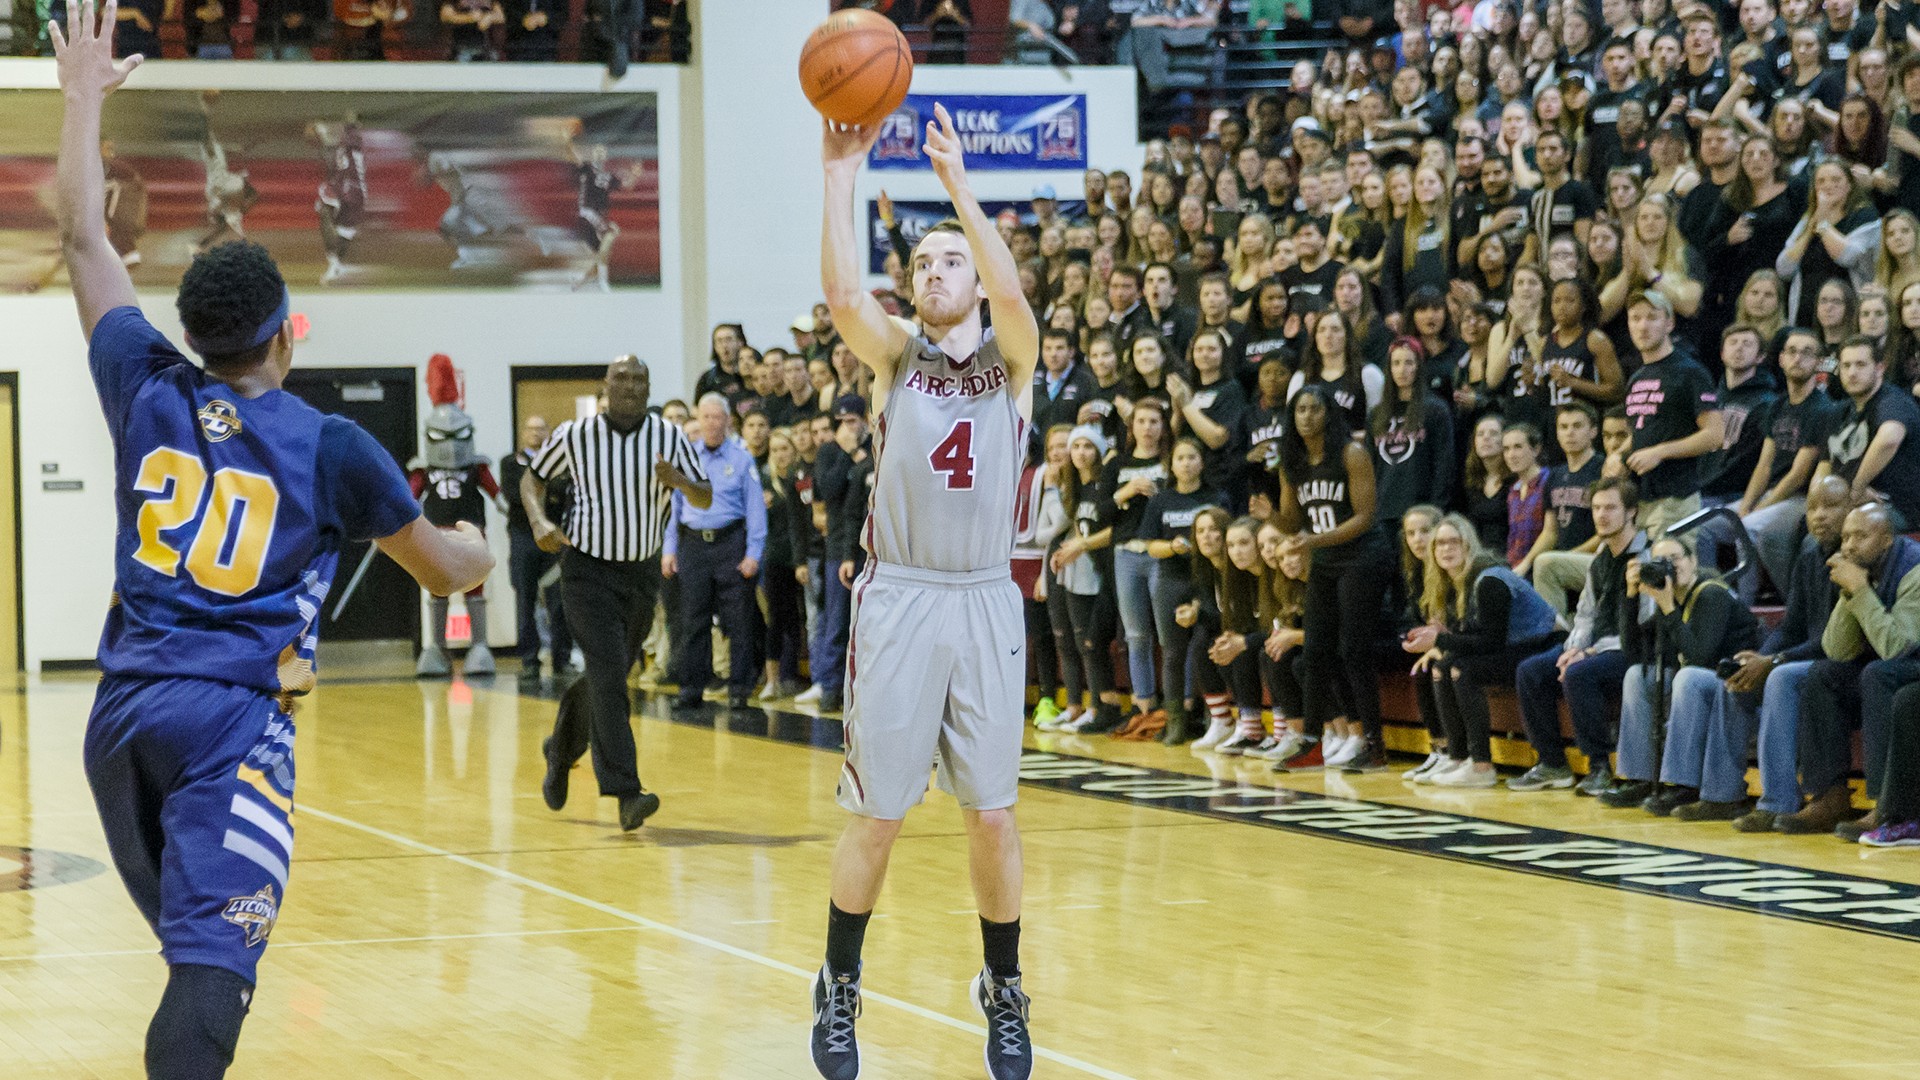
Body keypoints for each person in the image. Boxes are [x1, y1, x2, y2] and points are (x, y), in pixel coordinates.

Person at [53, 12, 496, 1075]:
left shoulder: (146, 385)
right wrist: (484, 542)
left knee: (192, 960)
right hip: (228, 725)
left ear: (194, 336)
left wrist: (80, 97)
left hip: (119, 717)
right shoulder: (332, 444)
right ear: (290, 334)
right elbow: (441, 568)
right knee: (214, 976)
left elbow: (82, 239)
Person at [814, 102, 1042, 1080]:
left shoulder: (1013, 359)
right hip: (903, 597)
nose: (934, 276)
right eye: (922, 268)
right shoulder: (897, 360)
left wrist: (956, 190)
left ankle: (1002, 985)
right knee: (882, 815)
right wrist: (840, 172)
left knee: (991, 813)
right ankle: (838, 984)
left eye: (949, 263)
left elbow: (1013, 291)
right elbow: (839, 296)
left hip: (986, 598)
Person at [529, 357, 710, 832]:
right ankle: (626, 792)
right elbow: (531, 478)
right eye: (621, 379)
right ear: (606, 387)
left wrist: (682, 484)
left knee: (607, 675)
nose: (630, 387)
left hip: (641, 575)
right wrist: (538, 520)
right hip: (586, 571)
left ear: (649, 387)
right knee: (609, 674)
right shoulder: (576, 434)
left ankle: (561, 747)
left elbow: (705, 495)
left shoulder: (669, 437)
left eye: (639, 380)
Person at [1713, 476, 1850, 831]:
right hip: (1809, 656)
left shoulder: (1855, 559)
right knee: (1736, 676)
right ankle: (1721, 794)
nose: (1819, 515)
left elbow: (1830, 641)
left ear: (1851, 508)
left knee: (1779, 677)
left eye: (1830, 506)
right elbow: (1791, 627)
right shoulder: (1808, 556)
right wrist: (1757, 656)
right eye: (1812, 507)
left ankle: (1778, 801)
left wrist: (1773, 662)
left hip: (1842, 662)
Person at [1269, 384, 1394, 772]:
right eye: (1300, 409)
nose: (1306, 416)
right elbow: (1291, 521)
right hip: (1324, 558)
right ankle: (1311, 742)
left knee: (1353, 651)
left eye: (1314, 408)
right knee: (1315, 653)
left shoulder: (1351, 454)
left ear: (1329, 414)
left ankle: (1373, 743)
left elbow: (1364, 516)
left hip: (1363, 556)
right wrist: (1268, 516)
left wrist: (1314, 540)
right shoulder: (1292, 462)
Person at [1778, 502, 1920, 835]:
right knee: (1825, 674)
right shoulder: (1861, 567)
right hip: (1891, 666)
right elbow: (1837, 650)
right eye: (1845, 537)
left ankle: (1887, 803)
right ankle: (1831, 796)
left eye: (1860, 536)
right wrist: (1849, 592)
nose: (1849, 546)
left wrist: (1859, 590)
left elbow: (1896, 648)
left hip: (1910, 665)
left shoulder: (1914, 570)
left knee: (1877, 674)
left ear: (1886, 540)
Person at [1598, 533, 1763, 813]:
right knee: (1637, 675)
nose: (1671, 566)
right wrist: (1629, 596)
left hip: (1737, 684)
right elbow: (1634, 652)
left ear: (1693, 561)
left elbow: (1699, 656)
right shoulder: (1673, 600)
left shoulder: (1711, 594)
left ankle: (1683, 784)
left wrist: (1667, 608)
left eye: (1676, 558)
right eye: (1661, 561)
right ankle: (1640, 777)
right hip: (1700, 685)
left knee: (1687, 677)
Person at [1509, 477, 1647, 793]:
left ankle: (1599, 767)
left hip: (1634, 648)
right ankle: (1552, 764)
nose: (1601, 515)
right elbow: (1585, 615)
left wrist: (1589, 654)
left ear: (1632, 513)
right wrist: (1573, 648)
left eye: (1611, 508)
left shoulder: (1646, 557)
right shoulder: (1600, 560)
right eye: (1597, 508)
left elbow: (1641, 627)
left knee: (1579, 674)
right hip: (1599, 646)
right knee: (1530, 670)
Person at [1412, 515, 1562, 787]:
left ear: (1469, 545)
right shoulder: (1452, 583)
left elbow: (1491, 642)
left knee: (1461, 669)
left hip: (1543, 645)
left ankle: (1482, 766)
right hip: (1513, 647)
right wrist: (1437, 642)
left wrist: (1440, 641)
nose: (1447, 549)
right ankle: (1457, 758)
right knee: (1441, 667)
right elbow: (1474, 637)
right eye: (1440, 544)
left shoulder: (1489, 580)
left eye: (1454, 542)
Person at [662, 393, 766, 710]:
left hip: (731, 543)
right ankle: (691, 688)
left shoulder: (741, 458)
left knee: (738, 621)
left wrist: (753, 553)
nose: (711, 423)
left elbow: (755, 510)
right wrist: (669, 550)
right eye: (705, 417)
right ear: (698, 420)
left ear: (727, 421)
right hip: (693, 544)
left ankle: (738, 689)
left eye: (716, 417)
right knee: (693, 619)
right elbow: (673, 508)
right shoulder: (686, 458)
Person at [1619, 290, 1725, 536]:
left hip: (1676, 498)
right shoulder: (1636, 378)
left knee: (1669, 572)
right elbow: (1641, 431)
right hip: (1640, 498)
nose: (1643, 326)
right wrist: (1618, 455)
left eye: (1652, 318)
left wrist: (1660, 452)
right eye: (1635, 318)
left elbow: (1715, 435)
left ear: (1669, 323)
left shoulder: (1690, 372)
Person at [1815, 337, 1920, 529]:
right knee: (1811, 532)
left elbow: (1889, 438)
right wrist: (1817, 502)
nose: (1852, 373)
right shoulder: (1839, 412)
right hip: (1846, 504)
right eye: (1846, 366)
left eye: (1861, 365)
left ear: (1880, 368)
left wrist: (1856, 488)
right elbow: (1824, 466)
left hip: (1891, 507)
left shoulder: (1894, 402)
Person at [501, 414, 574, 686]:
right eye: (530, 429)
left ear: (548, 432)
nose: (535, 433)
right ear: (523, 433)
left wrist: (542, 491)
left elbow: (562, 491)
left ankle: (562, 658)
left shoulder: (559, 462)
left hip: (555, 540)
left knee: (559, 599)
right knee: (525, 599)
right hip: (523, 538)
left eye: (540, 428)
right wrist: (543, 491)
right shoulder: (511, 463)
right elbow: (516, 494)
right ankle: (529, 660)